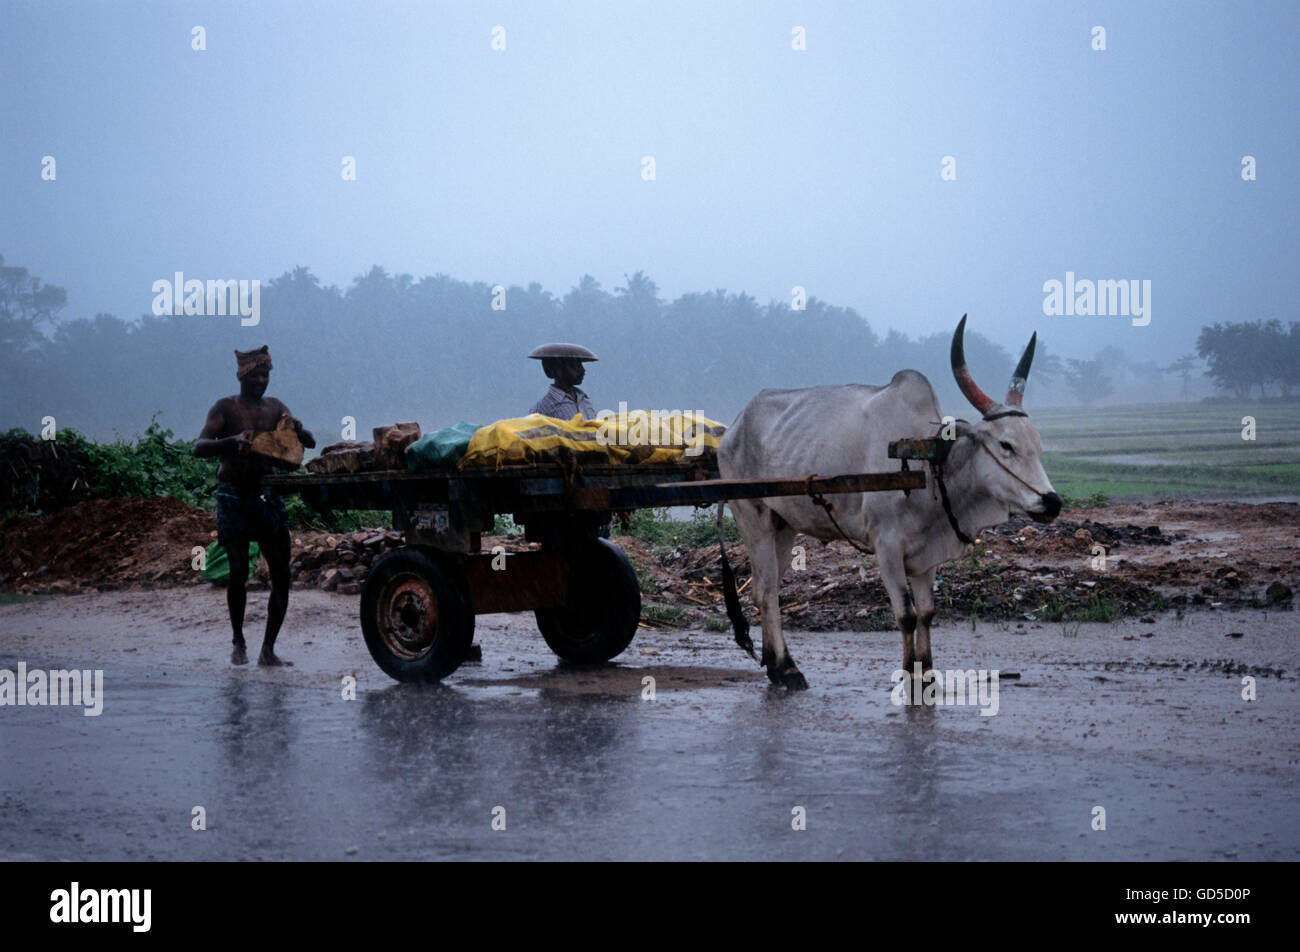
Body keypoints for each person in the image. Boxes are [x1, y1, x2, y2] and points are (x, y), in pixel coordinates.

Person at [194, 346, 315, 666]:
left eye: (266, 375)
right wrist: (229, 444)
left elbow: (309, 443)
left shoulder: (275, 408)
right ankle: (238, 640)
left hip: (267, 495)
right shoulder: (225, 408)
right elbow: (199, 446)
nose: (261, 380)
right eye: (255, 375)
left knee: (282, 574)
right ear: (242, 376)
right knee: (237, 571)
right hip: (233, 494)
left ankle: (268, 649)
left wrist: (300, 430)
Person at [529, 343, 598, 420]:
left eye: (581, 365)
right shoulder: (543, 409)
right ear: (557, 370)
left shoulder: (584, 402)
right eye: (575, 366)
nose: (582, 370)